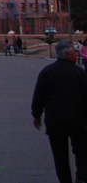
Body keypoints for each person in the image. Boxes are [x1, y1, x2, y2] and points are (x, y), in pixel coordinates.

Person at [31, 39, 87, 183]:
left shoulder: (47, 72)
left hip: (55, 122)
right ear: (68, 54)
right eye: (74, 53)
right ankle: (81, 177)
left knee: (60, 156)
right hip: (78, 121)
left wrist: (36, 115)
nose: (76, 55)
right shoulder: (78, 72)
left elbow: (39, 96)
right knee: (82, 152)